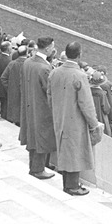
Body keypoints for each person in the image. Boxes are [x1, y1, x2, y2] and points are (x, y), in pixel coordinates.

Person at [48, 41, 102, 196]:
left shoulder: (55, 72)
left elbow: (49, 95)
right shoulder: (79, 75)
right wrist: (93, 124)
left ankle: (68, 183)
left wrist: (56, 111)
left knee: (65, 150)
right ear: (79, 55)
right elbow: (86, 103)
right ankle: (72, 186)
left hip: (59, 117)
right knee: (74, 152)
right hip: (75, 119)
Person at [19, 37, 58, 180]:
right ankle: (38, 169)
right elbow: (50, 91)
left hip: (29, 104)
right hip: (42, 107)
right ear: (47, 49)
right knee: (42, 138)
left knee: (33, 137)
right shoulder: (45, 68)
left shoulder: (28, 62)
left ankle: (35, 167)